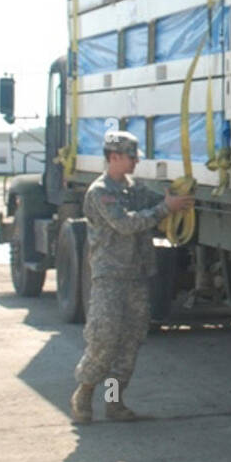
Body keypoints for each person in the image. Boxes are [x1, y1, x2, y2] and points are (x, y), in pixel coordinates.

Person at [70, 130, 195, 424]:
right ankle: (84, 394)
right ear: (114, 157)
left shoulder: (133, 188)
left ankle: (114, 402)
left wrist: (175, 196)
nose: (136, 161)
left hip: (136, 276)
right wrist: (166, 207)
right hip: (110, 277)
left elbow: (157, 201)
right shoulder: (100, 191)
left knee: (129, 343)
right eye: (131, 156)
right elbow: (125, 224)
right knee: (104, 339)